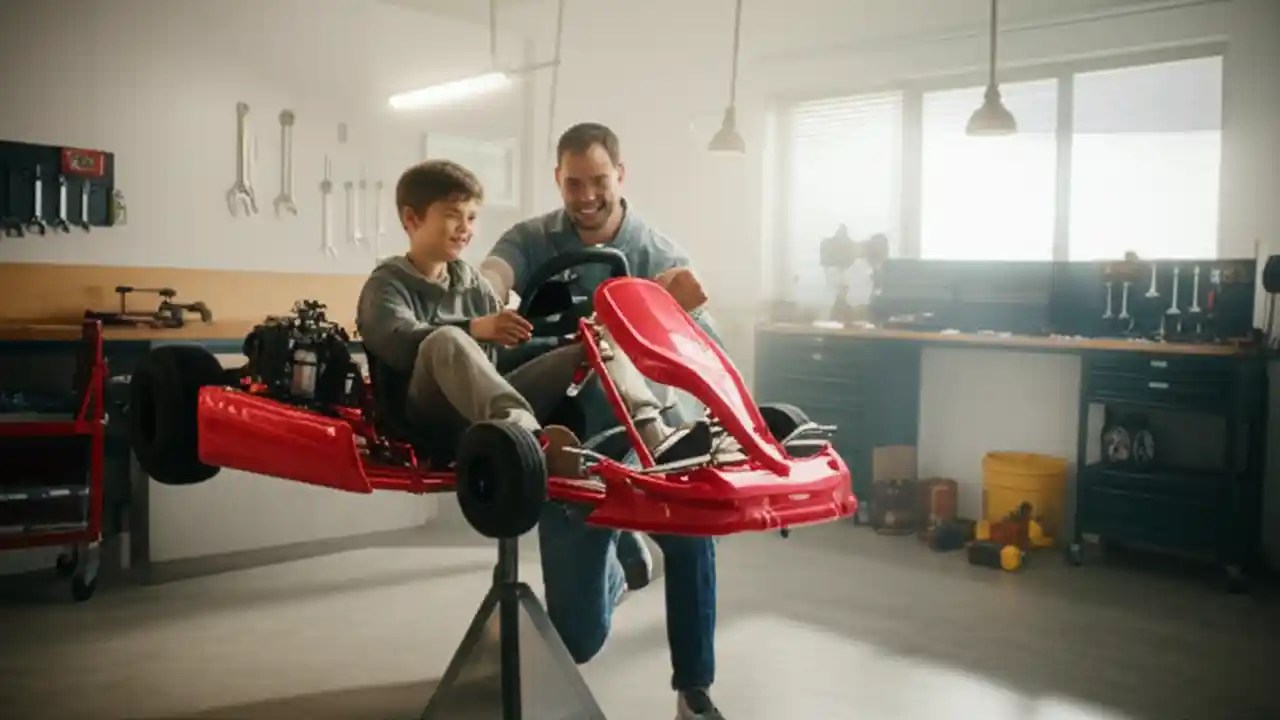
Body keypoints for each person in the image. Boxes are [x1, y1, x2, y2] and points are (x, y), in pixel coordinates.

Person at [480, 123, 726, 720]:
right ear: (557, 180)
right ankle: (621, 562)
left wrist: (692, 309)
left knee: (693, 533)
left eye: (598, 181)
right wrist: (483, 291)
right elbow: (493, 272)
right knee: (580, 640)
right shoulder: (533, 237)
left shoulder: (658, 254)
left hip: (640, 445)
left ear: (621, 175)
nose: (585, 195)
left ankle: (693, 691)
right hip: (565, 450)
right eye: (572, 183)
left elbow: (700, 354)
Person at [355, 159, 709, 500]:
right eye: (452, 216)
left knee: (594, 337)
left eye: (471, 217)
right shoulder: (386, 286)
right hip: (426, 419)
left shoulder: (470, 283)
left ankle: (654, 435)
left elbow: (495, 360)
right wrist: (476, 328)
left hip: (486, 405)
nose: (465, 228)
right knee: (445, 340)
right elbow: (398, 344)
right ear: (411, 219)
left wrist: (561, 342)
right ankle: (530, 440)